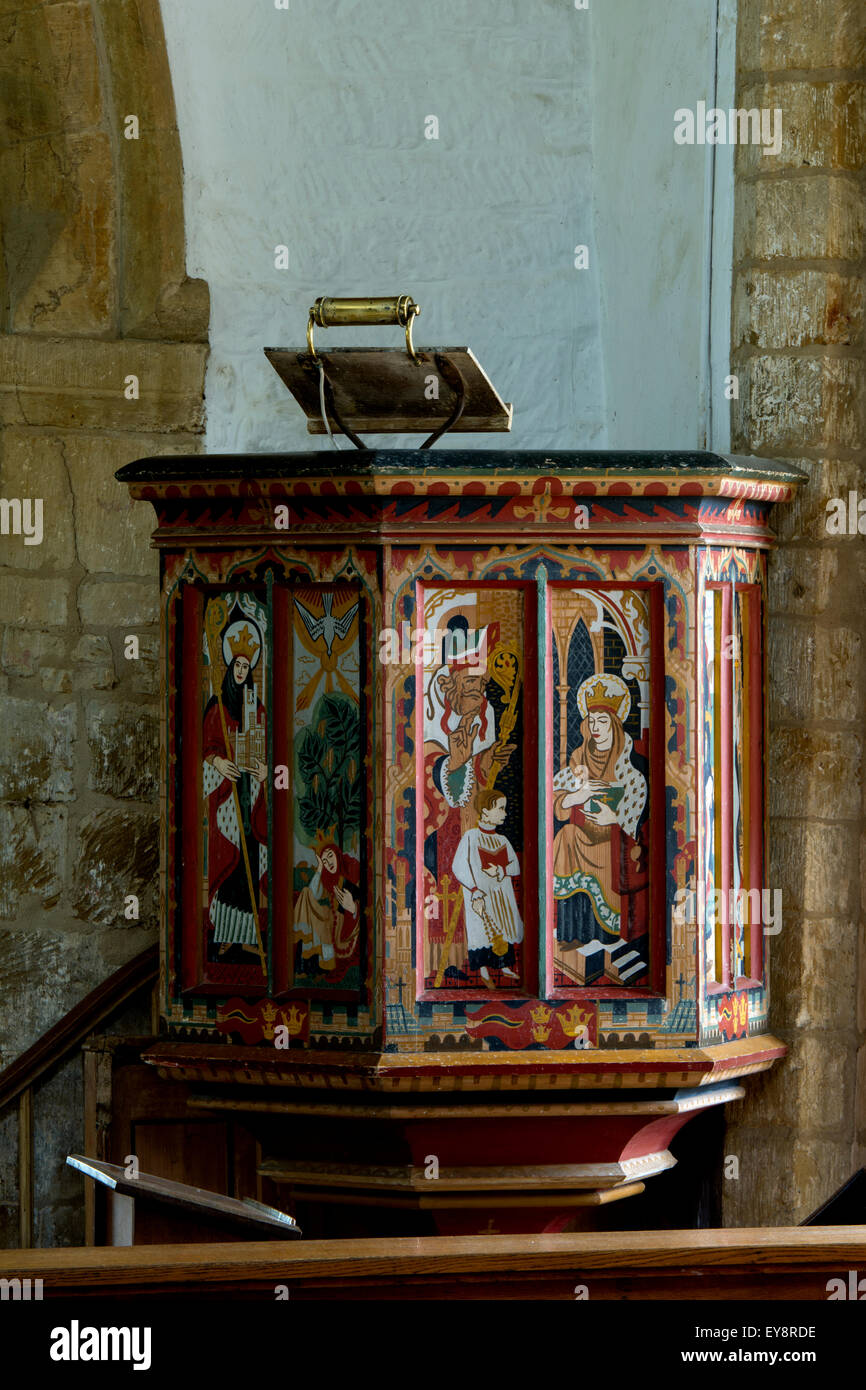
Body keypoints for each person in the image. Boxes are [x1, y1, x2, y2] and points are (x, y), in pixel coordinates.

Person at [552, 674, 648, 946]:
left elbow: (639, 804)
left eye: (602, 721)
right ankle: (575, 932)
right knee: (566, 836)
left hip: (614, 840)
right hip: (584, 835)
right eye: (591, 721)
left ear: (614, 724)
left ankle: (606, 934)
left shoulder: (629, 761)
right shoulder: (579, 756)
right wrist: (574, 798)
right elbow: (557, 791)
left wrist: (615, 819)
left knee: (607, 853)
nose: (595, 726)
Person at [202, 629, 268, 958]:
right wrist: (217, 762)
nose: (241, 672)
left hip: (250, 794)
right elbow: (207, 747)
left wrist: (265, 771)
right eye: (237, 667)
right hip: (228, 796)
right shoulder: (217, 706)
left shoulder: (256, 707)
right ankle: (225, 935)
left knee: (249, 862)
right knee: (229, 860)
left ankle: (247, 935)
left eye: (246, 667)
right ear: (230, 669)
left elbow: (269, 750)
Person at [452, 788, 523, 985]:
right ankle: (483, 970)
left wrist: (500, 870)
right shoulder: (471, 837)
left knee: (502, 925)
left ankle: (505, 966)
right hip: (480, 894)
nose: (505, 813)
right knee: (482, 929)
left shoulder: (502, 840)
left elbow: (515, 866)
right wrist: (474, 889)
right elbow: (458, 865)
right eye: (500, 808)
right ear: (485, 811)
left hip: (501, 893)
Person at [293, 841, 360, 977]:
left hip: (343, 929)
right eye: (324, 860)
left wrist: (352, 908)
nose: (328, 862)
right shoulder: (327, 882)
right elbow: (313, 893)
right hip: (329, 924)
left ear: (337, 855)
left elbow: (363, 908)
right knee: (306, 893)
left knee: (320, 920)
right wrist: (319, 868)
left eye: (330, 856)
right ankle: (308, 966)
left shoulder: (350, 879)